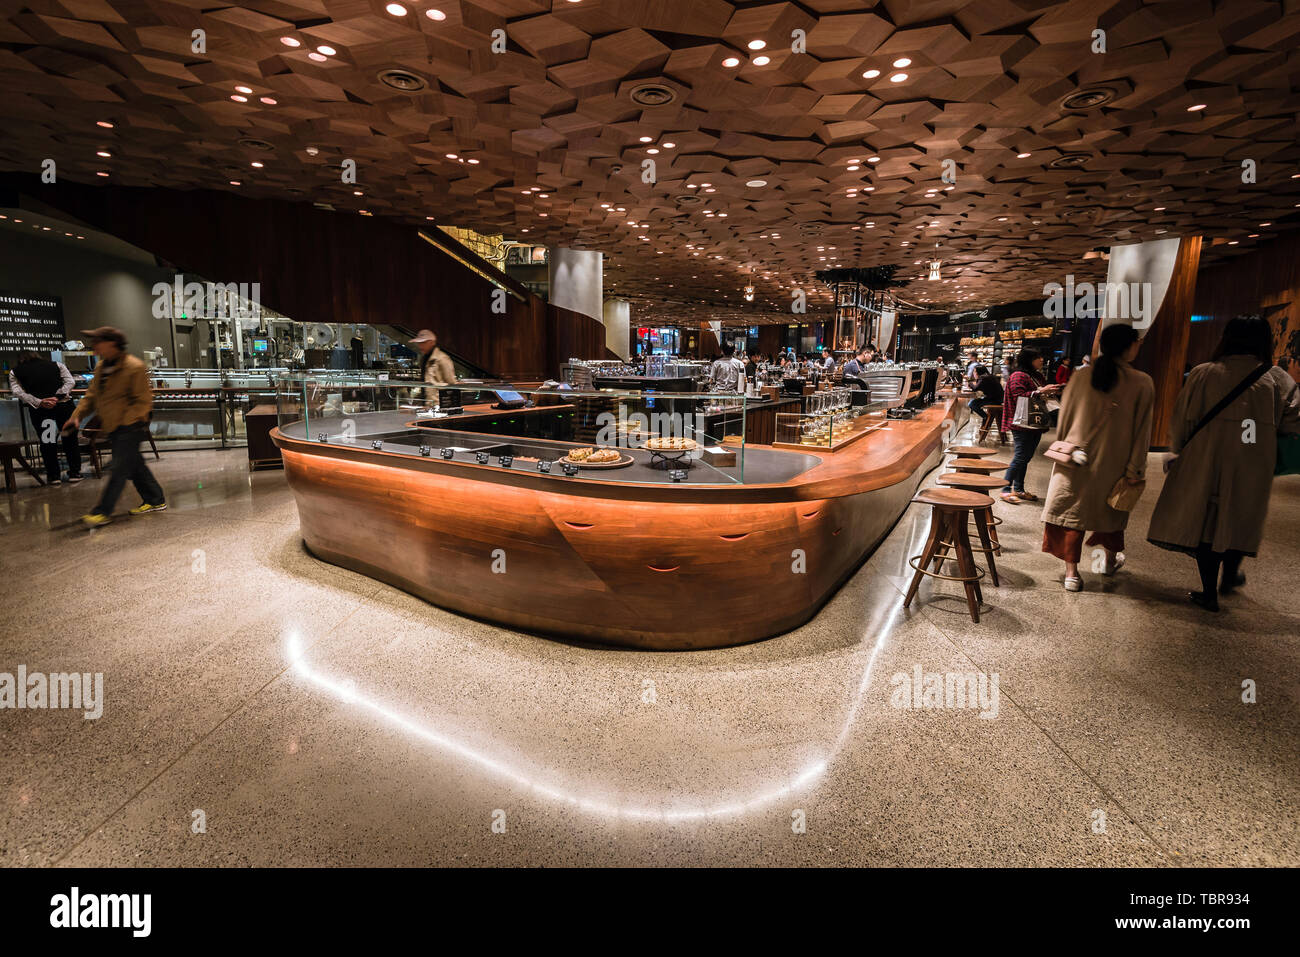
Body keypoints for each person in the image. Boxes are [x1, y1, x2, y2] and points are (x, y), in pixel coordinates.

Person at [1147, 315, 1300, 611]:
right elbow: (1293, 422)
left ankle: (1209, 592)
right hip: (1253, 458)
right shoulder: (1277, 378)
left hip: (1205, 457)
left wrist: (1175, 451)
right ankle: (1230, 574)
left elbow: (1184, 417)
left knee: (1206, 521)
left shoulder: (1204, 373)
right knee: (1240, 514)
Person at [1041, 325, 1152, 591]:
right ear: (1130, 346)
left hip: (1075, 458)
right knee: (1112, 514)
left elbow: (1064, 417)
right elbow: (1142, 431)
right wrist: (1135, 468)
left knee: (1071, 514)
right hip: (1114, 463)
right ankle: (1109, 563)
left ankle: (1071, 575)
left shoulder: (1081, 377)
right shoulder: (1142, 382)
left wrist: (1066, 446)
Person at [63, 327, 165, 526]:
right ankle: (156, 499)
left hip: (130, 426)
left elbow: (143, 401)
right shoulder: (101, 368)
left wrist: (127, 422)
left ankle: (102, 511)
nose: (95, 346)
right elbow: (91, 396)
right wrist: (76, 416)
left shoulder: (134, 367)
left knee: (118, 468)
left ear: (111, 343)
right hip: (114, 427)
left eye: (98, 342)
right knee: (135, 465)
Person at [8, 351, 83, 485]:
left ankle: (54, 476)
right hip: (63, 408)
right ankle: (75, 473)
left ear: (20, 359)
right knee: (70, 439)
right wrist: (57, 397)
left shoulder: (15, 372)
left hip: (43, 412)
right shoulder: (57, 365)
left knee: (48, 442)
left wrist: (39, 401)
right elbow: (70, 382)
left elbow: (17, 392)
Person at [1000, 348, 1060, 503]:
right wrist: (1040, 392)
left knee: (1026, 457)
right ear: (1028, 359)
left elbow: (1037, 392)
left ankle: (1019, 489)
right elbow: (1018, 396)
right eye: (1038, 357)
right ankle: (1005, 489)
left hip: (1035, 421)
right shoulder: (1018, 375)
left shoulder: (1037, 375)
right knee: (1021, 456)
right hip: (1022, 422)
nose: (1041, 360)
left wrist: (1048, 390)